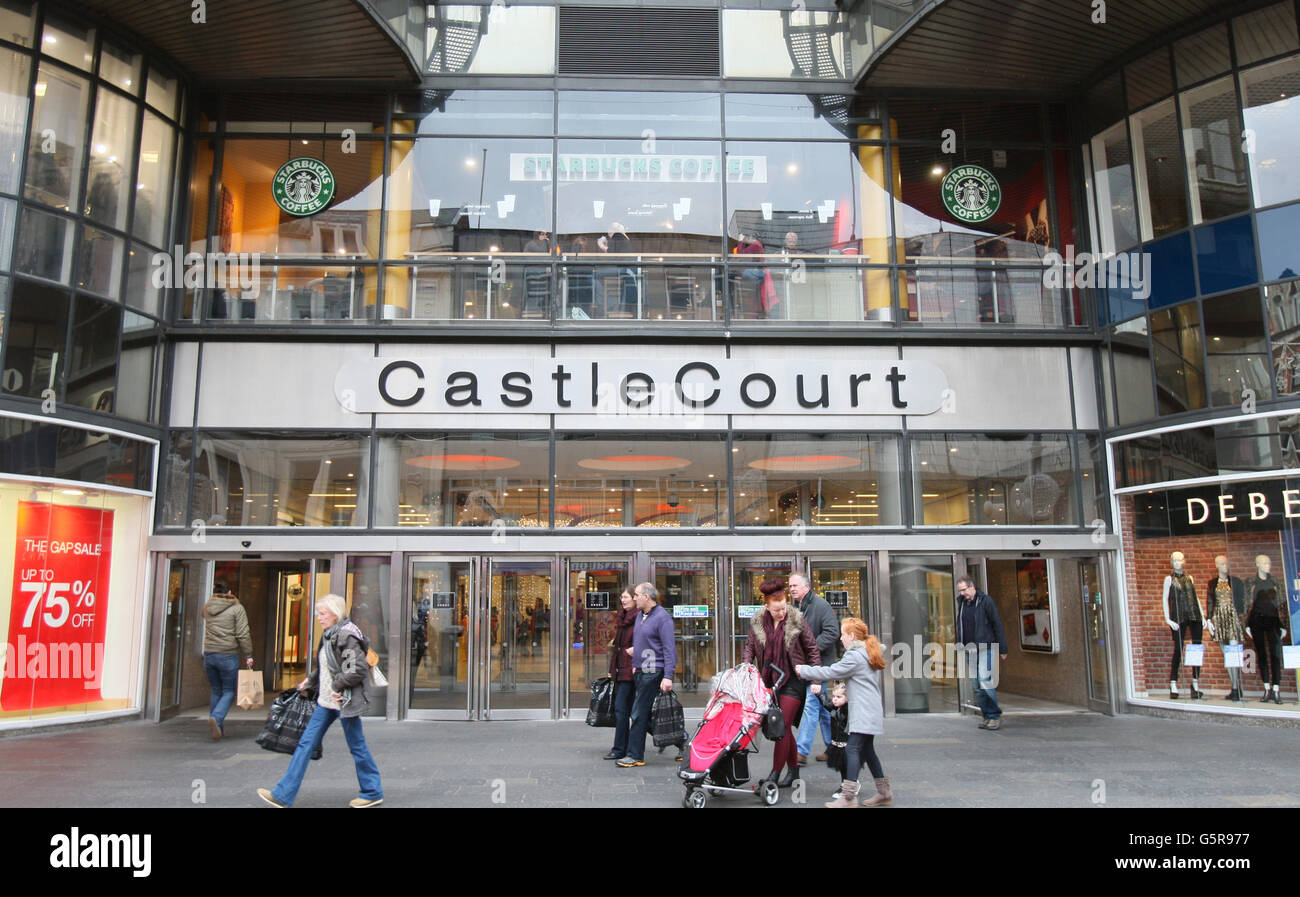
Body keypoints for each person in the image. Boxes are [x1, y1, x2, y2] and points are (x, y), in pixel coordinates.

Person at [258, 594, 383, 808]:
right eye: (318, 613)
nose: (318, 617)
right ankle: (282, 794)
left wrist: (336, 686)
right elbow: (329, 664)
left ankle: (372, 791)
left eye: (322, 613)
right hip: (326, 702)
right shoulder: (329, 635)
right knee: (305, 744)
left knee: (357, 746)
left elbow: (358, 669)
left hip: (343, 700)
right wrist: (312, 679)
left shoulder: (346, 636)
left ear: (335, 614)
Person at [797, 617, 890, 808]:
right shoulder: (868, 651)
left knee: (852, 749)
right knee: (867, 750)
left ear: (852, 636)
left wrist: (804, 670)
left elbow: (831, 672)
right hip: (870, 708)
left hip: (863, 711)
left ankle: (848, 797)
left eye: (843, 635)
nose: (840, 639)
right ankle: (884, 792)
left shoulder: (855, 656)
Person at [741, 577, 820, 787]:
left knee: (781, 726)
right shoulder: (758, 621)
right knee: (784, 730)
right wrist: (747, 666)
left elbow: (812, 650)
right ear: (767, 607)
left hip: (793, 681)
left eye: (784, 608)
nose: (781, 613)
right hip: (770, 681)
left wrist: (816, 678)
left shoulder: (796, 619)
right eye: (776, 610)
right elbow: (749, 646)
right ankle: (793, 772)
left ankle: (774, 774)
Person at [617, 582, 677, 768]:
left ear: (647, 597)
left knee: (638, 713)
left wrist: (668, 676)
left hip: (654, 672)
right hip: (641, 670)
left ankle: (635, 755)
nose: (634, 598)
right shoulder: (641, 616)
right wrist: (635, 664)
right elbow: (641, 641)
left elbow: (669, 649)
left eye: (636, 594)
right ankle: (684, 742)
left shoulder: (662, 618)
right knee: (648, 715)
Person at [790, 573, 839, 767]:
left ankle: (801, 751)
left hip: (820, 666)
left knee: (811, 705)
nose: (792, 589)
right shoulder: (795, 607)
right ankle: (833, 747)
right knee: (823, 710)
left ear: (806, 587)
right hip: (807, 665)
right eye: (790, 586)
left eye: (795, 585)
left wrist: (811, 648)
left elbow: (832, 632)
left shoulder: (821, 606)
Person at [202, 580, 253, 740]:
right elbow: (243, 634)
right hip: (227, 654)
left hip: (209, 654)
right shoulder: (237, 608)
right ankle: (216, 718)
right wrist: (248, 654)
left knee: (216, 690)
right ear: (230, 593)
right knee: (229, 691)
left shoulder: (208, 607)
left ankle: (218, 727)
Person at [955, 575, 1007, 730]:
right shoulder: (963, 604)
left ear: (972, 587)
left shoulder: (986, 601)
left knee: (985, 680)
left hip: (985, 648)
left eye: (964, 590)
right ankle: (987, 716)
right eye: (960, 590)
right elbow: (962, 625)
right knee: (977, 685)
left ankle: (994, 716)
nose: (962, 593)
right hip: (969, 650)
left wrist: (1003, 648)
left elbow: (997, 624)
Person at [604, 588, 638, 761]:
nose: (622, 599)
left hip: (631, 670)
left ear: (635, 598)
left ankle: (619, 749)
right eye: (621, 597)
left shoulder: (638, 618)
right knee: (634, 711)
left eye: (625, 597)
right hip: (622, 669)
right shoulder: (624, 618)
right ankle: (679, 738)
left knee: (621, 708)